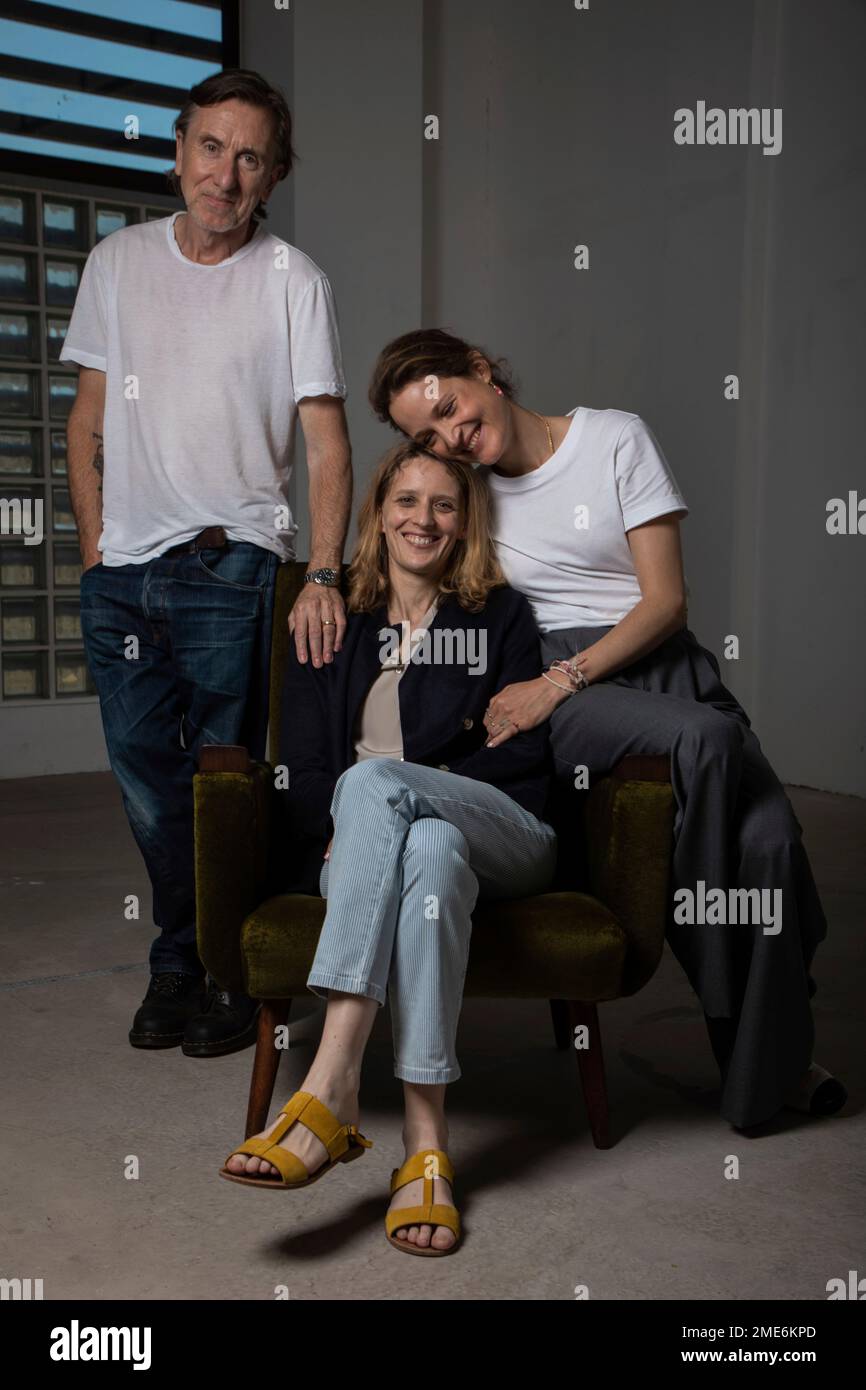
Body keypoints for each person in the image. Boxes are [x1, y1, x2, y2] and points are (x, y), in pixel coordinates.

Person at [371, 327, 848, 1132]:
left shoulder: (613, 437)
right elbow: (406, 565)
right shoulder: (465, 497)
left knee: (768, 840)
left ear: (482, 371)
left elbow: (665, 603)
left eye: (450, 408)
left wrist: (568, 676)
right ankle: (733, 1003)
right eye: (427, 435)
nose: (451, 439)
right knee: (711, 743)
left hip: (661, 668)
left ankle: (766, 1067)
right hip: (564, 693)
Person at [62, 69, 352, 1057]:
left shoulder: (293, 281)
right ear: (179, 150)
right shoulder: (117, 263)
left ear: (273, 177)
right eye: (210, 148)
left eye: (250, 158)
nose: (224, 174)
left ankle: (217, 969)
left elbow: (325, 441)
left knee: (223, 781)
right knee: (147, 782)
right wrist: (96, 551)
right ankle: (187, 953)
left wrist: (320, 572)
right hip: (125, 576)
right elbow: (88, 420)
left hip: (231, 568)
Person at [220, 441, 559, 1256]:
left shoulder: (500, 615)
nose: (424, 519)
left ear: (464, 520)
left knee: (385, 792)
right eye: (406, 501)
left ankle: (327, 1086)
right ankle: (426, 1150)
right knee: (428, 849)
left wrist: (395, 790)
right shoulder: (330, 618)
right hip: (381, 851)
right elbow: (303, 770)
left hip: (507, 829)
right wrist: (378, 822)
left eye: (444, 504)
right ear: (379, 512)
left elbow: (517, 755)